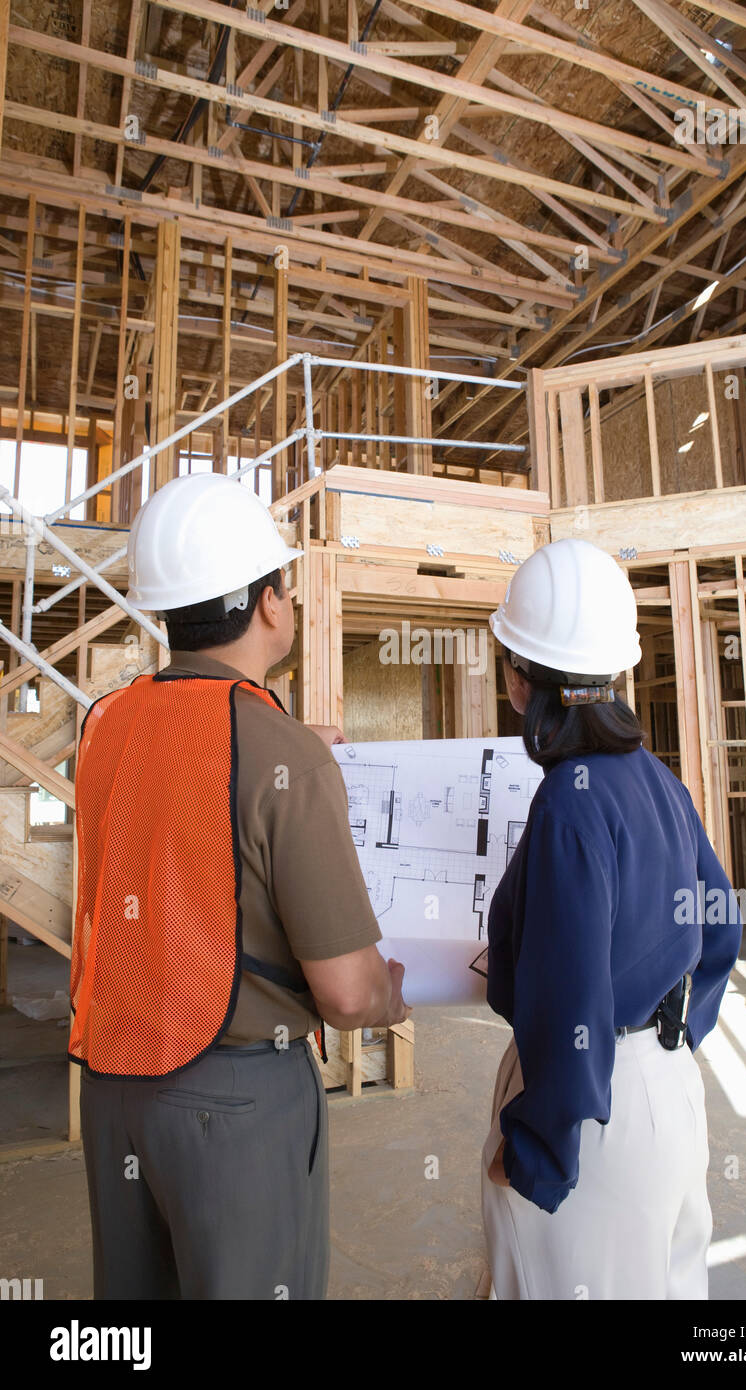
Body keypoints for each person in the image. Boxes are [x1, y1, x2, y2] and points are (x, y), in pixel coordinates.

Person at [70, 471, 408, 1300]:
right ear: (268, 605)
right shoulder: (281, 751)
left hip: (112, 1090)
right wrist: (392, 998)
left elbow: (183, 795)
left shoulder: (103, 727)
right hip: (235, 1102)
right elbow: (345, 989)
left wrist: (287, 746)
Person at [480, 537, 741, 1300]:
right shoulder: (659, 781)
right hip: (668, 1098)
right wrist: (675, 1043)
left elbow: (571, 1009)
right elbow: (720, 922)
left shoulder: (568, 801)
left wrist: (534, 1151)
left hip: (590, 1117)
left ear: (522, 682)